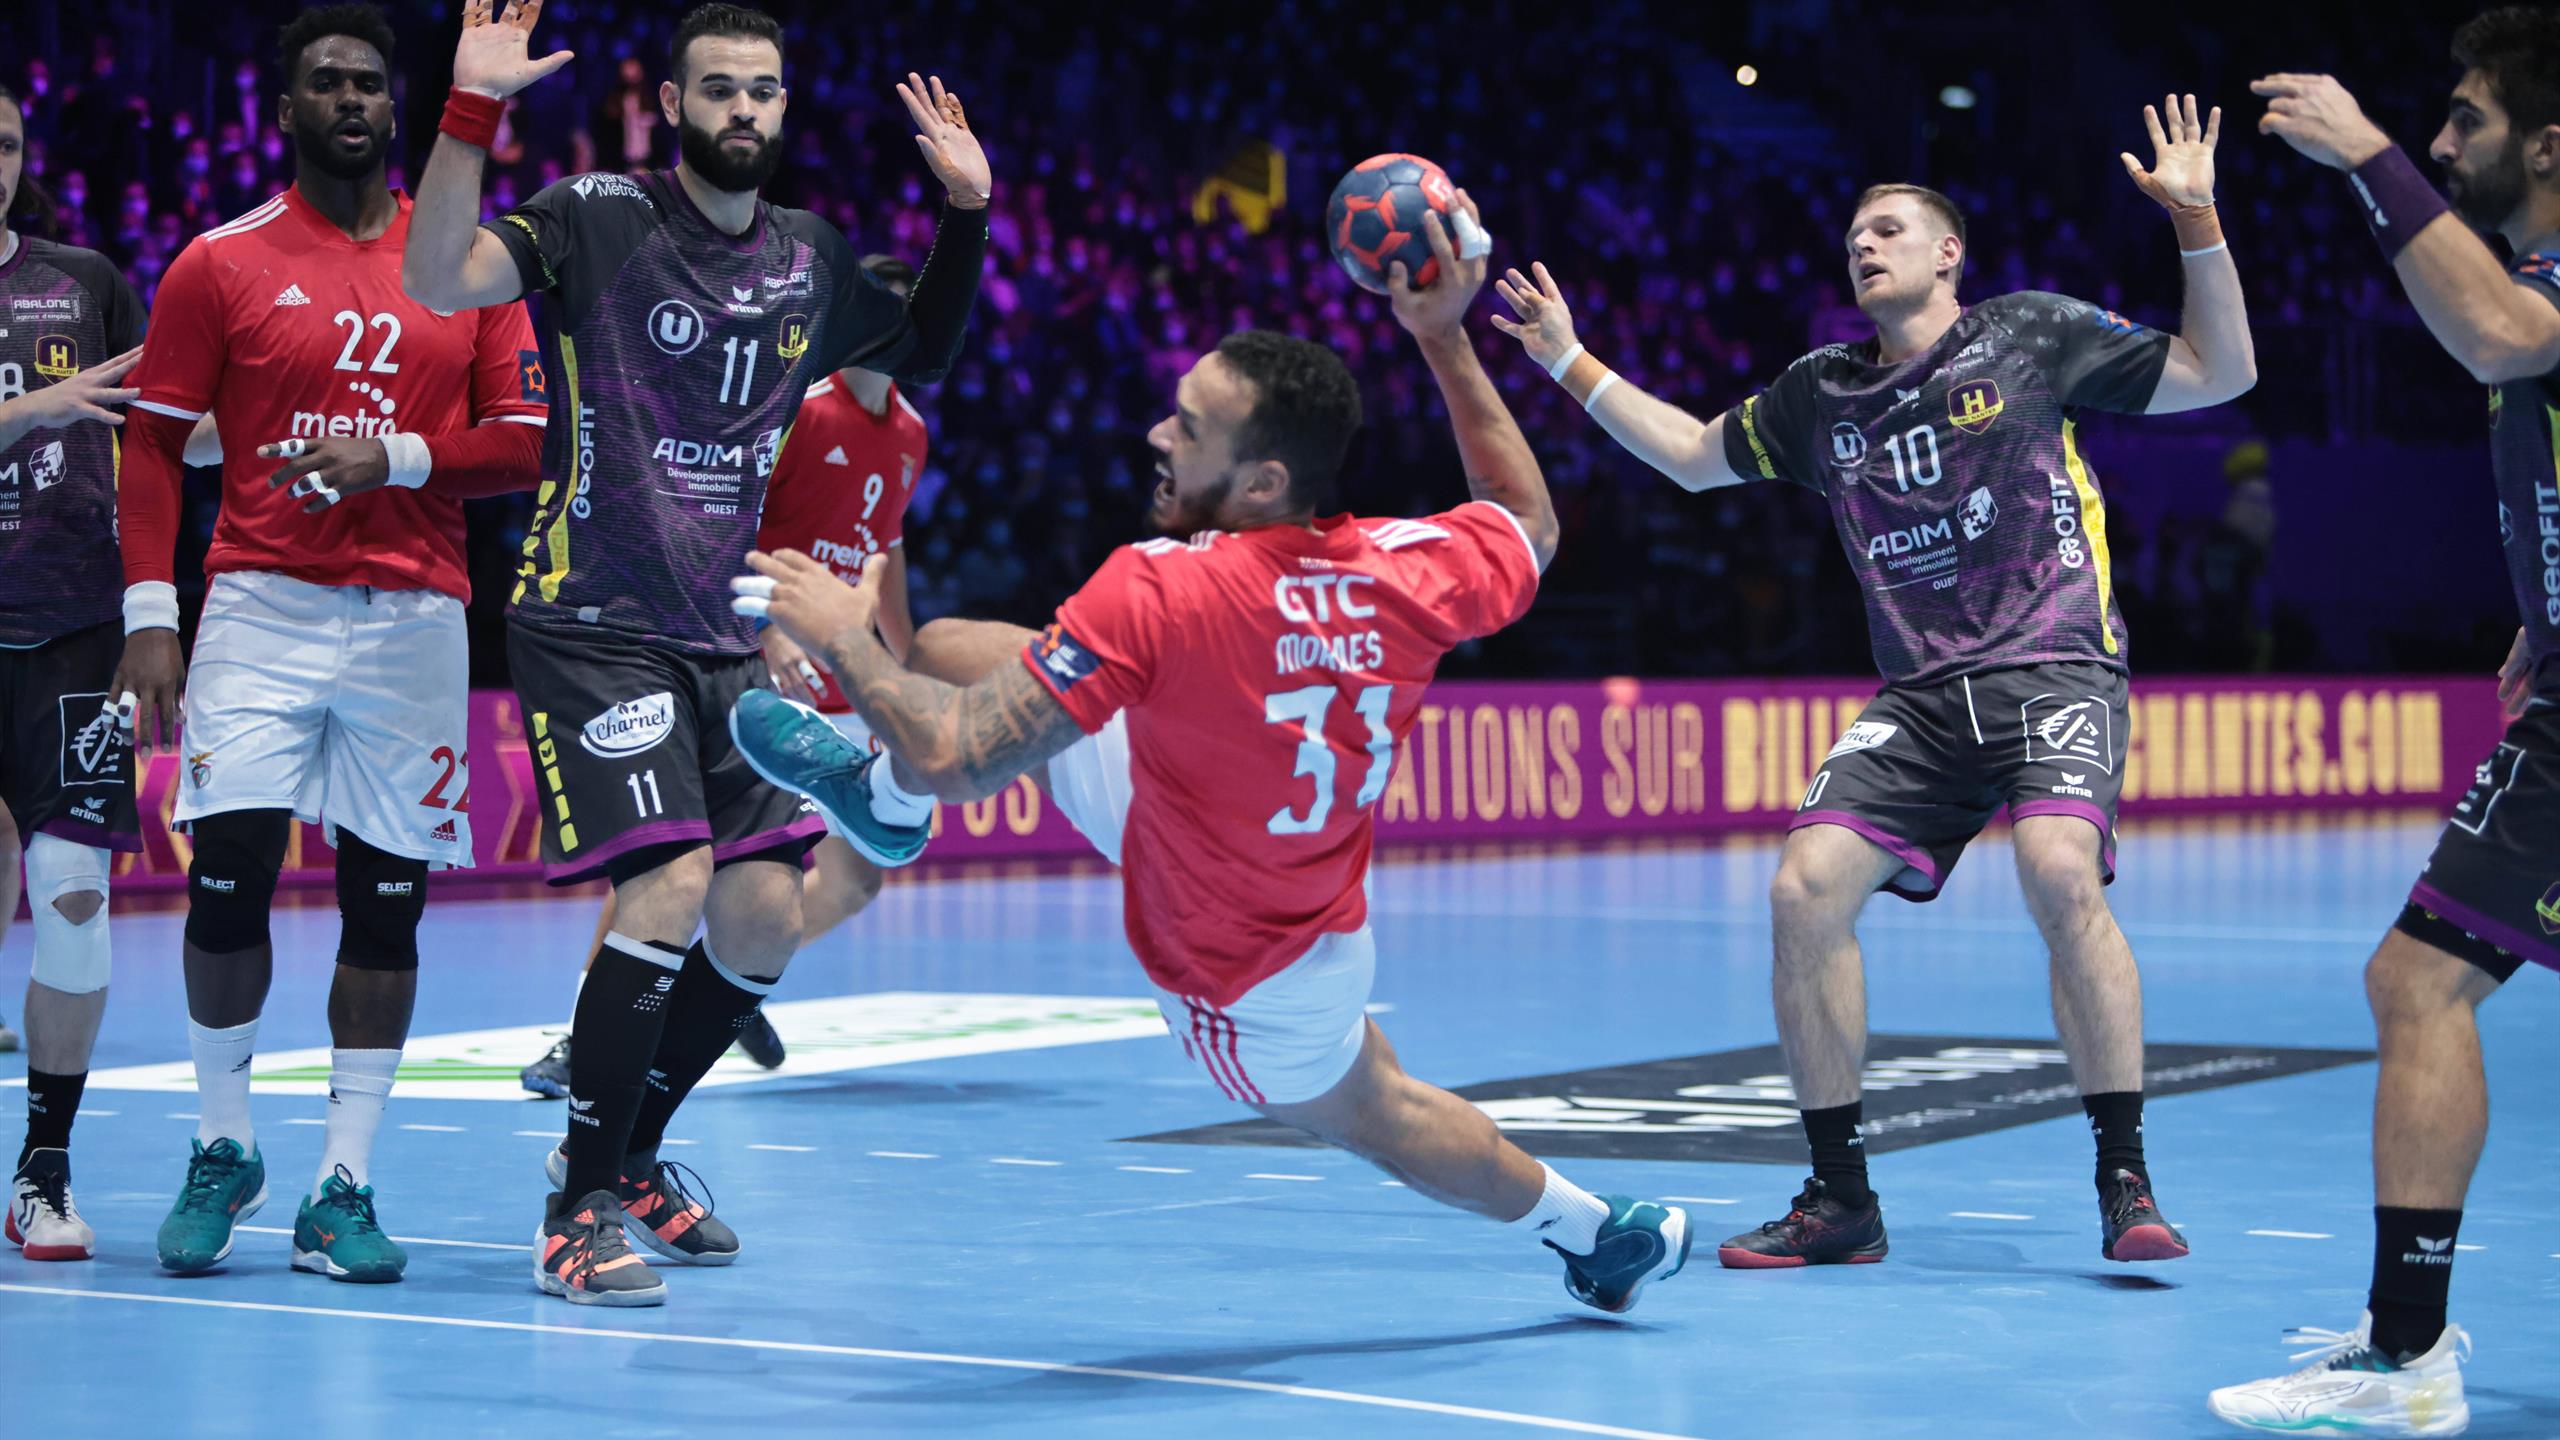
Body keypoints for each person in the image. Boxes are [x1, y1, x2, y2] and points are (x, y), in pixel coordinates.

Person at [727, 195, 1692, 1315]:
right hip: (1213, 797)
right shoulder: (1406, 568)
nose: (1158, 434)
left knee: (1373, 1106)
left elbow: (955, 758)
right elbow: (1526, 520)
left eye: (1187, 428)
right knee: (949, 645)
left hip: (1239, 963)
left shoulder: (1162, 586)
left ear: (1264, 483)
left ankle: (1584, 1232)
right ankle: (878, 803)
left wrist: (846, 638)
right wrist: (1442, 335)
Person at [1487, 97, 2257, 1268]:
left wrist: (2195, 218)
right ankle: (1839, 1199)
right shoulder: (1819, 392)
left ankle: (2122, 1177)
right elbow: (1694, 461)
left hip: (2050, 659)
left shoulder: (2029, 334)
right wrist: (1567, 362)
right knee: (1803, 891)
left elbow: (2221, 371)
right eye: (1855, 234)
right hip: (1917, 699)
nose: (1865, 244)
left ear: (1949, 253)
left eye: (1891, 228)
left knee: (2057, 870)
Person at [402, 0, 987, 1306]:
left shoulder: (813, 256)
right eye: (718, 89)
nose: (742, 111)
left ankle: (643, 1155)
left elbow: (925, 348)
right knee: (666, 888)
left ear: (782, 111)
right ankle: (573, 1210)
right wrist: (470, 113)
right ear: (676, 106)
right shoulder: (594, 214)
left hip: (718, 633)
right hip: (589, 615)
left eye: (763, 93)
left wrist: (966, 215)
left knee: (765, 916)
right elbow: (435, 281)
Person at [112, 3, 550, 1284]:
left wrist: (394, 455)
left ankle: (342, 1186)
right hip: (258, 600)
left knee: (386, 903)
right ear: (288, 109)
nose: (352, 100)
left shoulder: (467, 262)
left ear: (395, 108)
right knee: (228, 877)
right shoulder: (220, 262)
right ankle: (222, 1145)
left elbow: (524, 443)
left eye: (369, 82)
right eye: (327, 83)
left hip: (417, 616)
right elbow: (152, 442)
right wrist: (153, 615)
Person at [2210, 13, 2560, 1433]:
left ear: (2547, 148)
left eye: (2464, 120)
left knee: (2417, 983)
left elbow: (2499, 331)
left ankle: (2406, 1361)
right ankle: (2403, 1347)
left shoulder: (2529, 288)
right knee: (2417, 981)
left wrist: (2362, 158)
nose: (2439, 141)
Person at [519, 252, 929, 1100]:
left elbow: (882, 552)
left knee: (856, 878)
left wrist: (904, 657)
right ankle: (580, 1038)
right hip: (758, 652)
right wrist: (764, 625)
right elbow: (720, 509)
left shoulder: (912, 433)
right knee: (674, 854)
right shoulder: (806, 413)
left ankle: (722, 983)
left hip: (845, 670)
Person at [0, 78, 149, 1263]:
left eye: (3, 144)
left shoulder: (84, 280)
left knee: (75, 899)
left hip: (74, 634)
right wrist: (32, 409)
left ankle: (43, 1172)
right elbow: (59, 408)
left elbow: (160, 418)